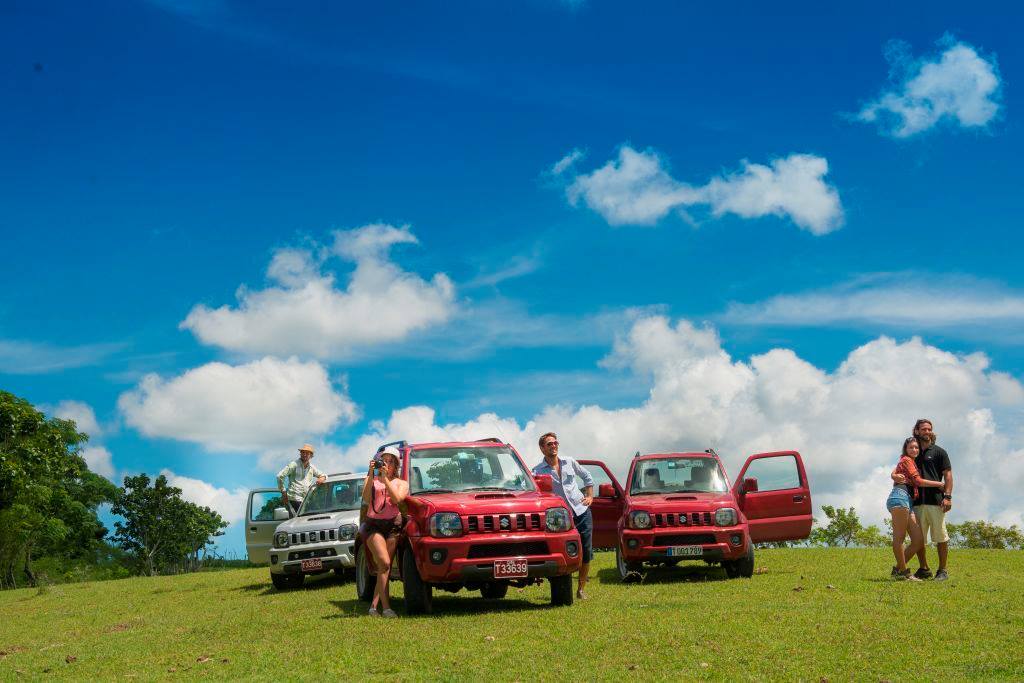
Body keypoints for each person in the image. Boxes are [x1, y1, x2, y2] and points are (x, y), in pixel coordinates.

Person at [532, 432, 594, 600]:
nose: (553, 446)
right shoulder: (537, 471)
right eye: (549, 444)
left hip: (581, 511)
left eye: (555, 443)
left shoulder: (569, 461)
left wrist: (590, 497)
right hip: (561, 518)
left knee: (586, 550)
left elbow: (587, 477)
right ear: (542, 448)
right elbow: (534, 492)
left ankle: (581, 589)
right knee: (565, 551)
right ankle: (564, 587)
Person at [893, 419, 954, 581]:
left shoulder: (940, 452)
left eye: (929, 429)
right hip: (916, 501)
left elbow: (948, 475)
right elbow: (899, 467)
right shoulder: (913, 452)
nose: (927, 432)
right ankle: (924, 568)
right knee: (919, 540)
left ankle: (942, 570)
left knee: (941, 537)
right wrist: (893, 475)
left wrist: (948, 496)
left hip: (936, 501)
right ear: (917, 431)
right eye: (923, 429)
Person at [887, 437, 945, 580]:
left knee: (918, 540)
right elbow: (917, 481)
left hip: (908, 501)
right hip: (900, 497)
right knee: (899, 538)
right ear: (906, 449)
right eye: (911, 447)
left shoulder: (910, 461)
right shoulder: (907, 459)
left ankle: (898, 569)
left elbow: (895, 470)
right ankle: (904, 573)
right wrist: (939, 484)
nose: (914, 450)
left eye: (916, 447)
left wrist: (893, 474)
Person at [360, 446, 408, 617]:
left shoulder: (401, 483)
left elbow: (397, 499)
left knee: (384, 567)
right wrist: (371, 473)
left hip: (393, 525)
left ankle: (374, 607)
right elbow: (366, 498)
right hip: (373, 525)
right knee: (385, 562)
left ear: (396, 466)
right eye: (384, 461)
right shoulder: (371, 480)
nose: (386, 464)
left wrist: (386, 480)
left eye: (390, 462)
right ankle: (387, 608)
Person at [276, 443, 326, 514]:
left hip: (305, 500)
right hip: (294, 499)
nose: (304, 455)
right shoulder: (294, 465)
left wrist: (322, 478)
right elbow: (280, 476)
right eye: (303, 452)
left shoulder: (311, 467)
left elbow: (323, 475)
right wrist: (284, 492)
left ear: (311, 456)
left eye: (307, 453)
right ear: (300, 454)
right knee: (301, 518)